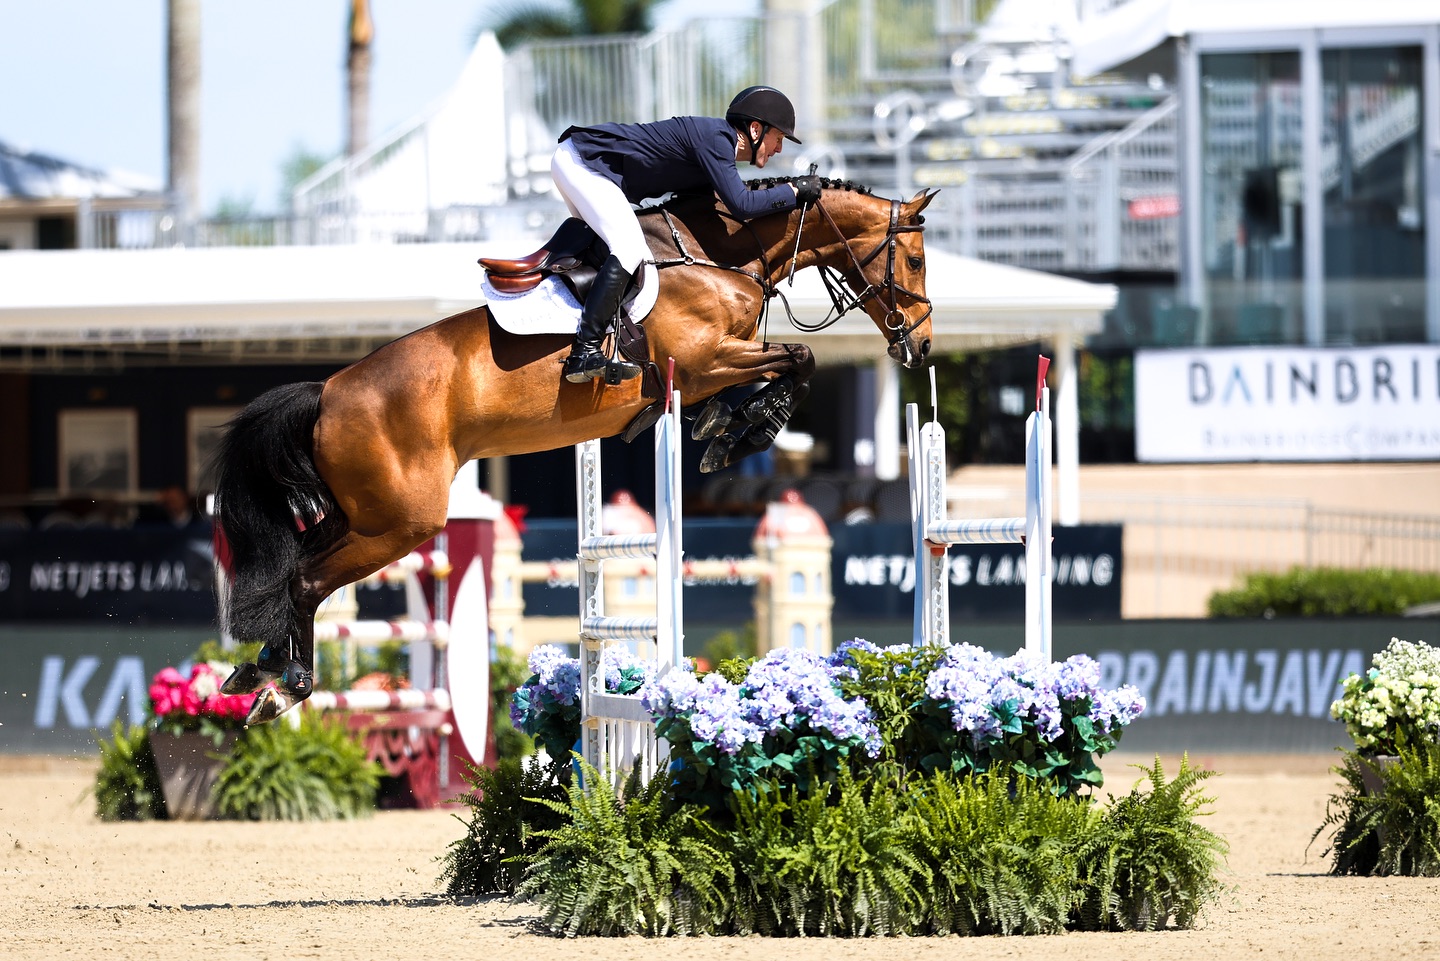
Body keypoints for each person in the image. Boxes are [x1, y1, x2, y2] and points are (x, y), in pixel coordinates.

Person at [551, 85, 824, 384]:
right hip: (583, 162)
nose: (780, 149)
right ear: (756, 129)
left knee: (611, 252)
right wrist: (793, 191)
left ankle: (591, 341)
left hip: (583, 163)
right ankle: (584, 351)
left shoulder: (717, 151)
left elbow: (712, 211)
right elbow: (742, 204)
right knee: (629, 249)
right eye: (779, 138)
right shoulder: (718, 141)